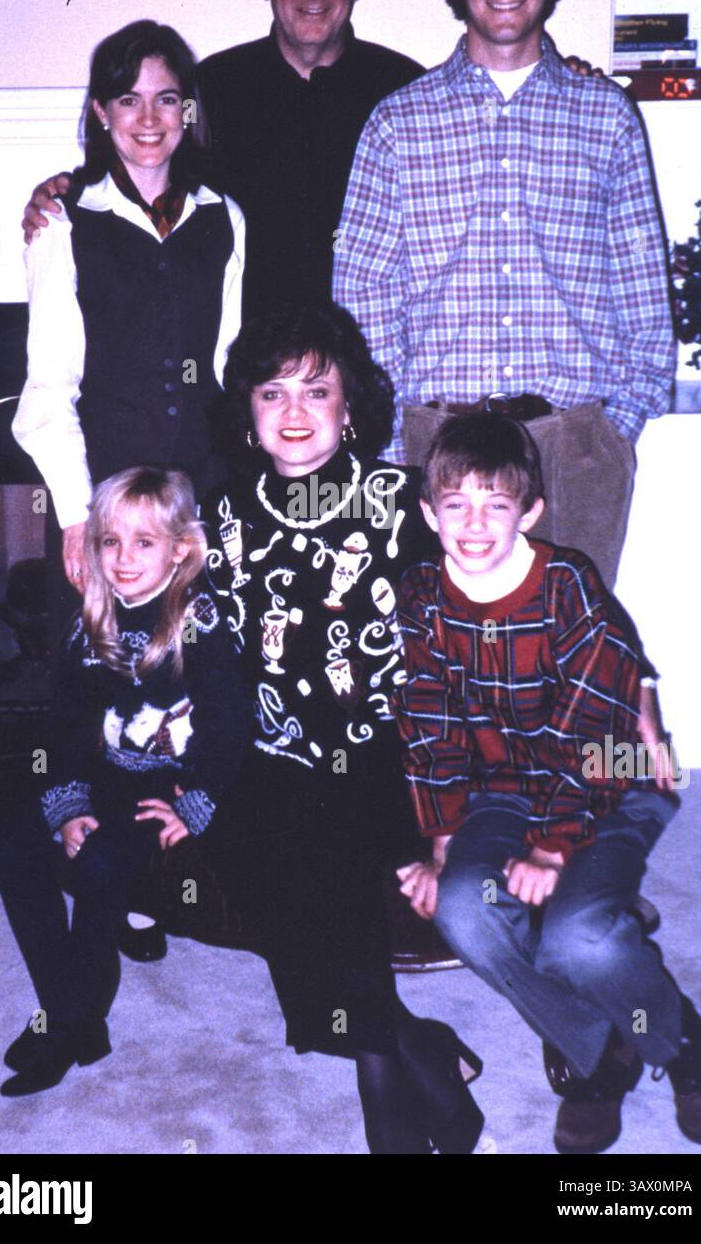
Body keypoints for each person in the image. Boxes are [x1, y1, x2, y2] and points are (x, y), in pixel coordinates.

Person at [392, 411, 701, 1154]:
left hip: (610, 778)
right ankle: (595, 1049)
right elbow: (429, 725)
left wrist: (550, 850)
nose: (475, 524)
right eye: (456, 505)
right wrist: (445, 843)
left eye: (497, 504)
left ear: (531, 511)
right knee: (462, 910)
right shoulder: (421, 594)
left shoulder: (564, 586)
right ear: (428, 513)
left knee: (577, 938)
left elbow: (592, 732)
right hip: (501, 790)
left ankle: (678, 1044)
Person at [334, 0, 676, 592]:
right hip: (439, 446)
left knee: (567, 664)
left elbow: (643, 293)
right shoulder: (399, 124)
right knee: (449, 669)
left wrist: (611, 432)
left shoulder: (605, 119)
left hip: (572, 444)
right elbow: (361, 294)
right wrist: (400, 442)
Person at [204, 302, 483, 1154]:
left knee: (338, 835)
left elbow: (455, 635)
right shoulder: (224, 514)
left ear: (350, 407)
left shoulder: (401, 500)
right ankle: (401, 1039)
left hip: (393, 747)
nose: (293, 411)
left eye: (316, 391)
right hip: (278, 748)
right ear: (247, 415)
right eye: (271, 392)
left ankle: (379, 1073)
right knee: (258, 838)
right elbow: (216, 655)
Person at [20, 0, 423, 318]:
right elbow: (150, 172)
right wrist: (68, 191)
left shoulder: (407, 94)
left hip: (366, 356)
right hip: (236, 361)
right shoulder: (208, 89)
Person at [0, 466, 251, 1097]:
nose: (124, 558)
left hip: (169, 785)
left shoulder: (201, 623)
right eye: (110, 542)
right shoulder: (90, 625)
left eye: (144, 542)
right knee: (15, 845)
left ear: (181, 549)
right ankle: (69, 1009)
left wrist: (196, 806)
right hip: (105, 776)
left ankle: (69, 1021)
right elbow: (67, 726)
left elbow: (229, 729)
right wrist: (67, 806)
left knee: (102, 866)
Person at [13, 19, 245, 597]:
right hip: (101, 502)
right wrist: (76, 515)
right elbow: (48, 384)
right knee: (103, 668)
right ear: (100, 112)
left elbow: (225, 366)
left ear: (187, 112)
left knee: (201, 669)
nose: (148, 119)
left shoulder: (224, 219)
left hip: (198, 496)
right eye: (128, 99)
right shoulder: (62, 224)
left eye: (166, 99)